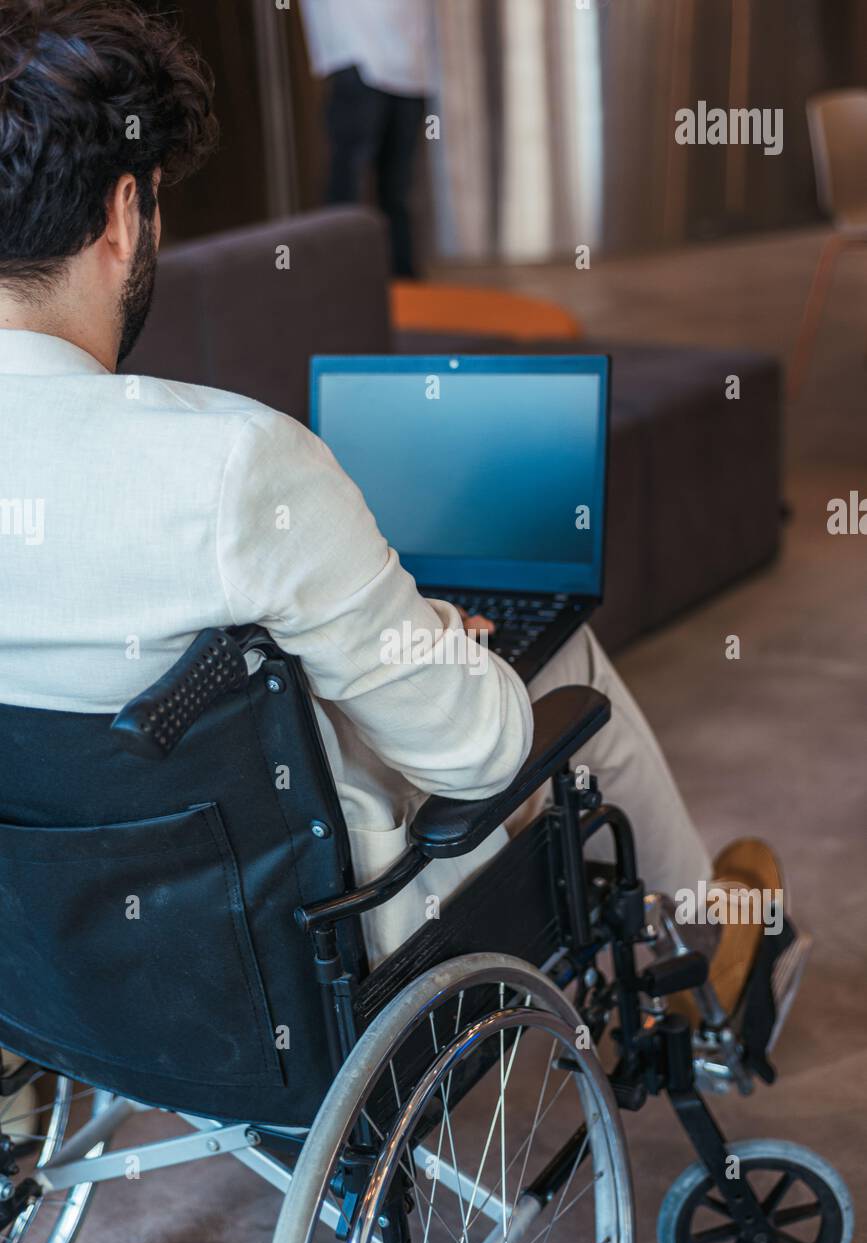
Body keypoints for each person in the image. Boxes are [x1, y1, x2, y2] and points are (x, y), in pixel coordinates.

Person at [0, 0, 773, 1024]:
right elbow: (483, 753)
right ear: (122, 213)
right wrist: (445, 643)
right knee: (557, 667)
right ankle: (697, 960)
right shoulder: (235, 461)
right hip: (302, 955)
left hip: (52, 964)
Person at [298, 0, 433, 277]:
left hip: (413, 68)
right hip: (358, 58)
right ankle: (340, 281)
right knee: (348, 186)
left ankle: (405, 288)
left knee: (398, 190)